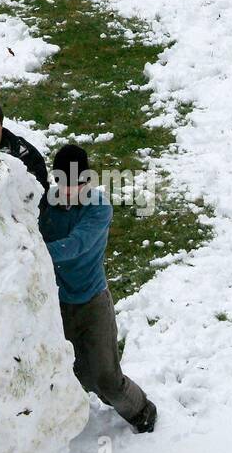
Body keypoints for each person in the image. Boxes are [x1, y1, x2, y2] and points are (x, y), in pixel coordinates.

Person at [41, 144, 157, 434]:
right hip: (55, 304)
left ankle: (141, 410)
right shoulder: (44, 205)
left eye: (77, 184)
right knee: (70, 371)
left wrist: (33, 251)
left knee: (107, 379)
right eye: (63, 184)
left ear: (88, 181)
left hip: (92, 301)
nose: (69, 191)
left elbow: (76, 246)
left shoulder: (98, 208)